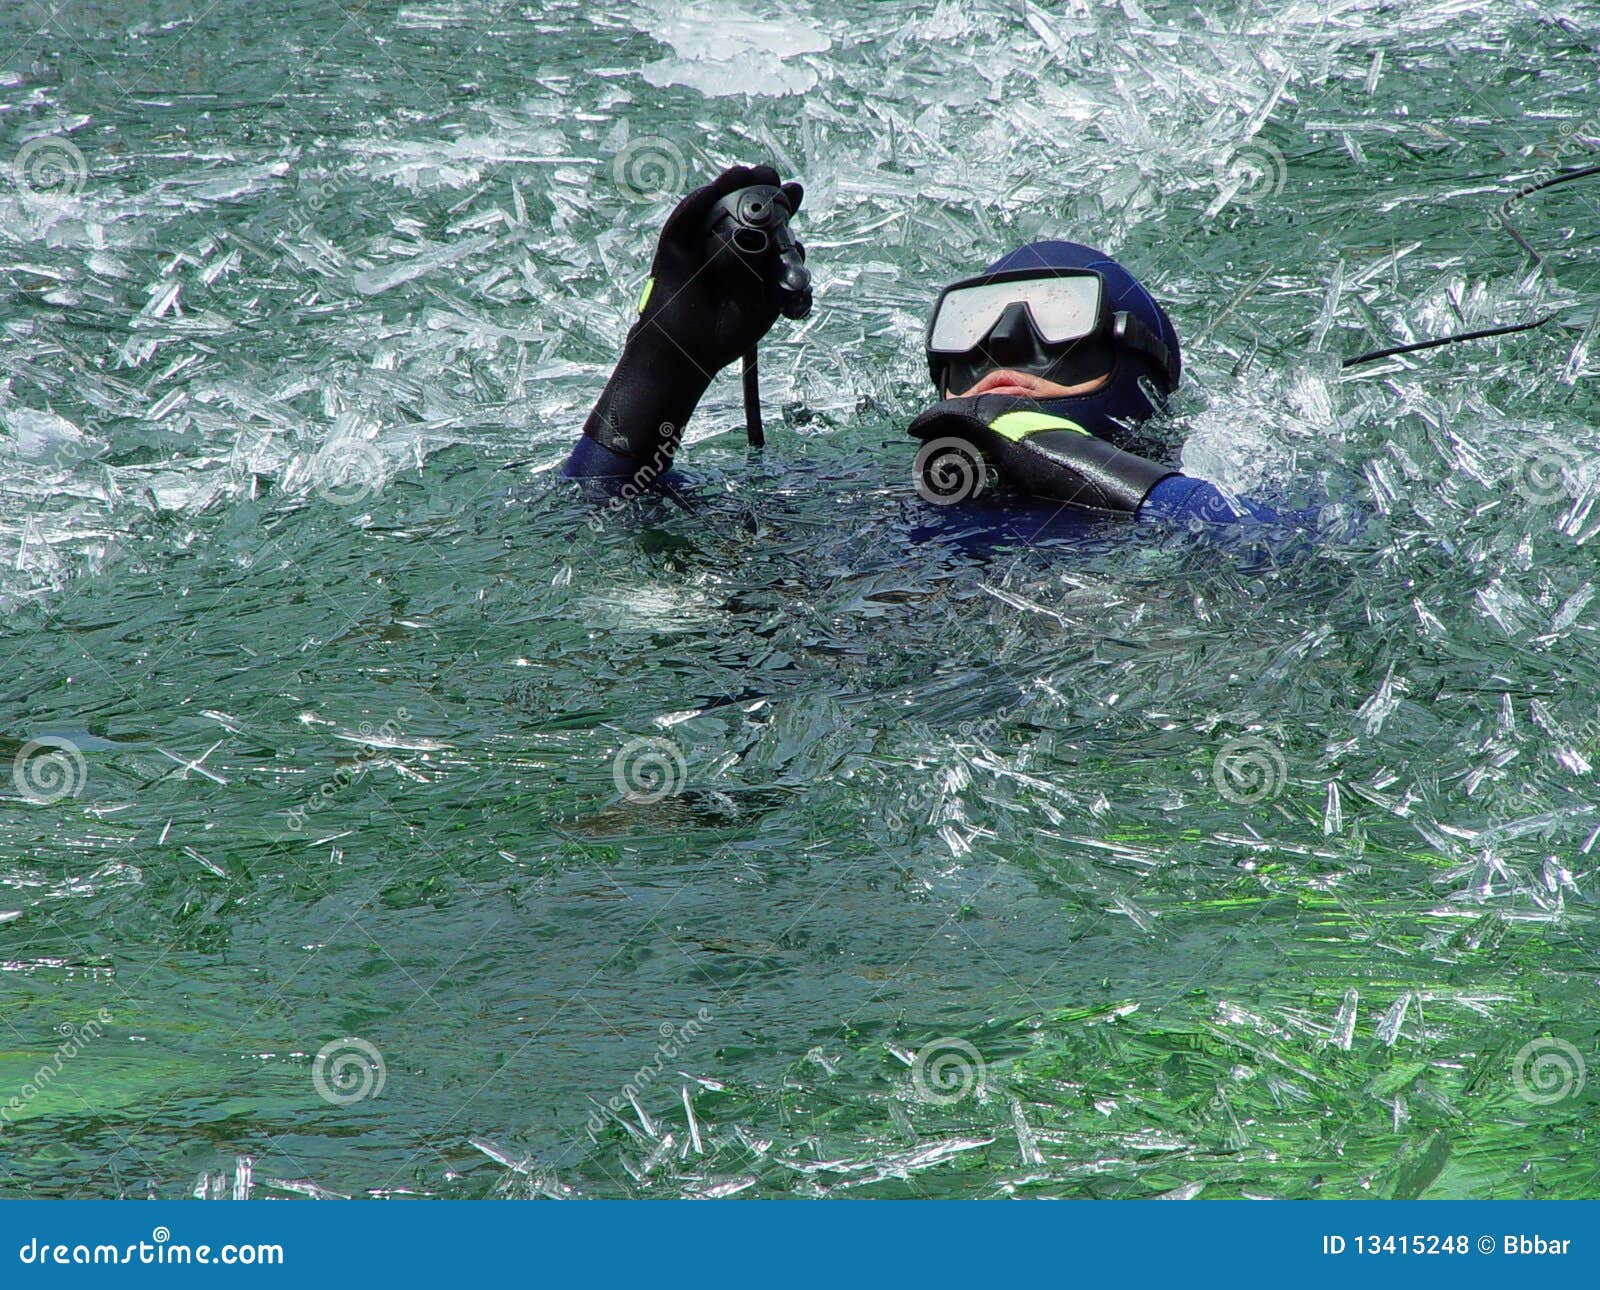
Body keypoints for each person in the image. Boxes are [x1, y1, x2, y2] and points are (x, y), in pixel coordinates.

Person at [564, 164, 1301, 532]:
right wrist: (664, 365)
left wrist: (1086, 468)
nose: (1005, 345)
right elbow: (594, 522)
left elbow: (1307, 559)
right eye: (973, 325)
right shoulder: (856, 493)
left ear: (1135, 371)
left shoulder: (1214, 498)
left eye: (1056, 322)